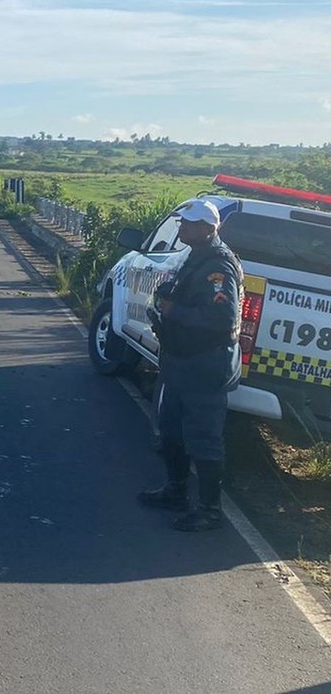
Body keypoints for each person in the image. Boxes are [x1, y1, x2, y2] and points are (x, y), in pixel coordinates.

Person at [139, 198, 242, 532]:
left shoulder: (217, 267)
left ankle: (210, 510)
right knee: (170, 431)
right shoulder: (195, 256)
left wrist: (175, 312)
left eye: (188, 223)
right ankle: (176, 491)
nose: (181, 226)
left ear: (208, 229)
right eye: (182, 222)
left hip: (204, 364)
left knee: (203, 437)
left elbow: (221, 317)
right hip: (180, 360)